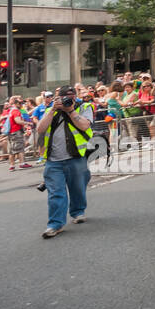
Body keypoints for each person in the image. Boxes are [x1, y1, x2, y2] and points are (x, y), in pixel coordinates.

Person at [39, 85, 94, 238]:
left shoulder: (84, 107)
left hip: (76, 157)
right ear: (59, 98)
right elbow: (40, 129)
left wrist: (70, 110)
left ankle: (78, 211)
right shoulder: (52, 109)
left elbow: (84, 125)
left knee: (78, 188)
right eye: (66, 97)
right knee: (56, 193)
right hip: (53, 160)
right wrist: (52, 110)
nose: (70, 99)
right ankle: (55, 224)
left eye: (72, 96)